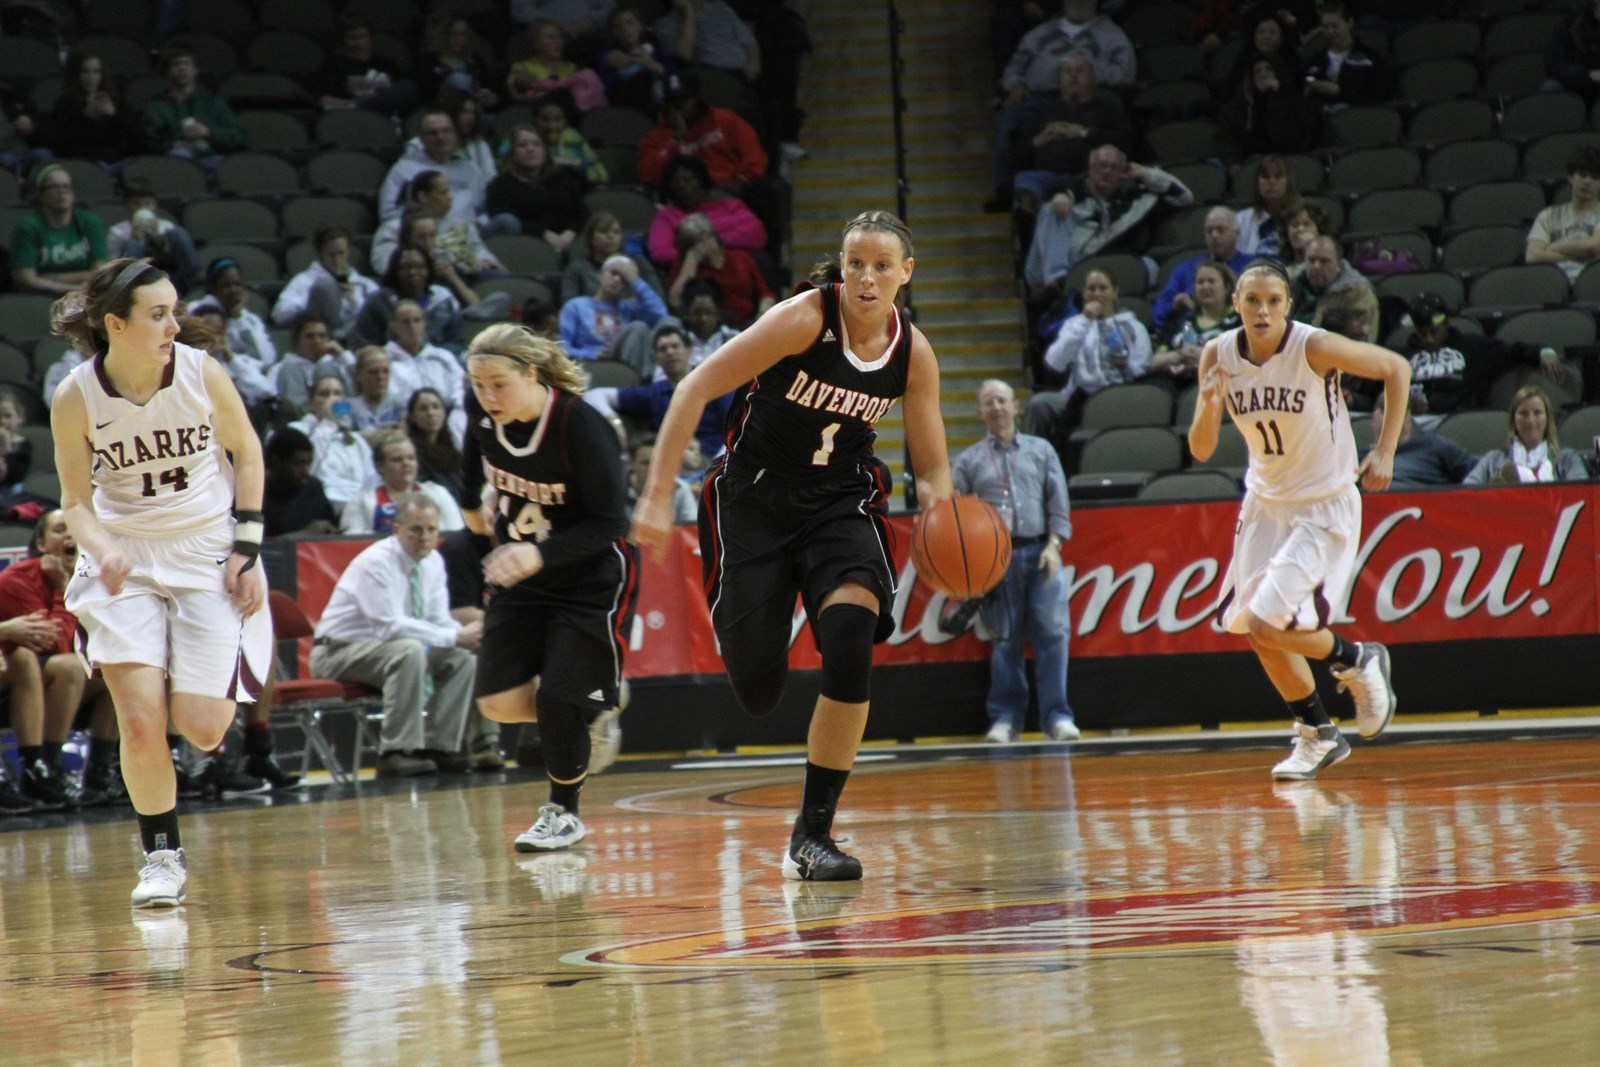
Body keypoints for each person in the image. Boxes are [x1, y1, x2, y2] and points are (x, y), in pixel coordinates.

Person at [631, 210, 954, 881]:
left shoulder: (912, 353)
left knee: (849, 641)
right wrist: (657, 495)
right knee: (757, 689)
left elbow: (930, 468)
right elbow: (693, 389)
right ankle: (754, 638)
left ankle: (813, 834)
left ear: (905, 273)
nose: (866, 277)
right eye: (855, 263)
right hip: (752, 501)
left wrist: (942, 523)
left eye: (882, 266)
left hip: (842, 501)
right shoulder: (803, 319)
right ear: (841, 267)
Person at [49, 257, 273, 905]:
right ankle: (161, 856)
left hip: (205, 549)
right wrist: (99, 548)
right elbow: (75, 499)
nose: (175, 324)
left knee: (202, 727)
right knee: (141, 719)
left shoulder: (202, 374)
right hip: (123, 559)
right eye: (158, 314)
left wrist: (248, 548)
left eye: (174, 310)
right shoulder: (76, 395)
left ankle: (228, 640)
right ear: (115, 324)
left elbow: (248, 452)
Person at [1187, 258, 1407, 781]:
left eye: (1273, 301)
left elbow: (1396, 368)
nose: (1262, 310)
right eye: (1252, 301)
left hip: (1322, 503)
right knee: (1255, 631)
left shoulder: (1313, 346)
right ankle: (1317, 735)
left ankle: (1357, 657)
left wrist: (1385, 452)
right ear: (1236, 305)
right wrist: (1207, 402)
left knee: (1269, 623)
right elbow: (1200, 449)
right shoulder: (1216, 354)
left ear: (1288, 305)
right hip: (1264, 504)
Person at [457, 323, 638, 851]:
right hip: (521, 574)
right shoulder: (482, 416)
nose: (487, 396)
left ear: (531, 373)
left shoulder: (579, 425)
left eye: (499, 384)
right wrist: (482, 530)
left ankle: (563, 812)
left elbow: (610, 523)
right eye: (477, 385)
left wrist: (536, 552)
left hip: (589, 576)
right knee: (497, 704)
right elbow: (469, 484)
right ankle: (597, 701)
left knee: (557, 699)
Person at [312, 493, 481, 778]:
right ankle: (396, 752)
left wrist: (465, 636)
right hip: (336, 652)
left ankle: (441, 748)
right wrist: (454, 636)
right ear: (396, 529)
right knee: (410, 650)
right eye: (416, 529)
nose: (424, 537)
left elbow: (439, 619)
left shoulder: (434, 562)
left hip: (384, 650)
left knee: (462, 656)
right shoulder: (376, 562)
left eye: (431, 529)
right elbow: (388, 627)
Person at [950, 379, 1075, 744]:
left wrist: (1054, 545)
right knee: (1003, 640)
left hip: (1041, 553)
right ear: (979, 412)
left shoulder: (1042, 451)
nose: (996, 407)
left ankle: (1058, 718)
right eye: (988, 402)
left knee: (1052, 634)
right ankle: (1006, 719)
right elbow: (958, 515)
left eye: (1002, 400)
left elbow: (1058, 503)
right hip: (994, 559)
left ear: (1015, 407)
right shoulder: (969, 460)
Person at [0, 509, 124, 810]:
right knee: (65, 665)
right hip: (28, 676)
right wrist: (59, 590)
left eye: (74, 528)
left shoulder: (98, 576)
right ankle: (44, 768)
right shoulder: (18, 578)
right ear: (41, 545)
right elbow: (56, 643)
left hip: (57, 682)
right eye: (59, 529)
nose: (69, 535)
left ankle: (100, 773)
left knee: (118, 670)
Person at [1022, 144, 1194, 298]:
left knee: (1149, 265)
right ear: (1090, 169)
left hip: (1101, 266)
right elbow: (1050, 193)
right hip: (1054, 265)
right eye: (1102, 166)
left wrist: (1146, 174)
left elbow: (1185, 197)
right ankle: (1058, 280)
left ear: (1123, 173)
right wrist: (1059, 197)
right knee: (1051, 209)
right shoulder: (1070, 189)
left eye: (1114, 168)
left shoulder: (1136, 201)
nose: (1106, 171)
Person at [1027, 267, 1152, 447]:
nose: (1097, 294)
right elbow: (1054, 362)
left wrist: (1126, 367)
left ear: (1115, 293)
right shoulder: (1074, 325)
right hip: (1079, 396)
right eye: (1092, 289)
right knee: (1040, 404)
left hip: (1121, 394)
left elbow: (1143, 367)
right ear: (1085, 294)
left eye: (1103, 288)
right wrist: (1084, 322)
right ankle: (1036, 463)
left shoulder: (1133, 326)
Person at [1397, 292, 1567, 417]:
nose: (1429, 339)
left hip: (1453, 418)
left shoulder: (1471, 347)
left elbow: (1512, 352)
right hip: (1409, 419)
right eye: (1422, 334)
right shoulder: (1403, 355)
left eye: (1434, 332)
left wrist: (1544, 352)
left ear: (1445, 323)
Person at [1004, 56, 1136, 214]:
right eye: (1067, 72)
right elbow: (1014, 157)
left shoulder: (1109, 110)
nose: (1073, 76)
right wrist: (1040, 139)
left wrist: (1083, 132)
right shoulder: (1045, 113)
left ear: (1092, 78)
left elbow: (1126, 144)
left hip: (1090, 176)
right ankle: (1031, 219)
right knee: (1024, 181)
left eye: (1080, 71)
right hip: (1047, 176)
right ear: (1059, 81)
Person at [585, 323, 733, 457]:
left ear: (689, 351)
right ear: (656, 358)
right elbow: (593, 395)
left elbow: (737, 428)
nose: (670, 352)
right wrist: (615, 422)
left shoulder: (713, 383)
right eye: (663, 349)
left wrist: (718, 466)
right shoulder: (654, 392)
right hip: (670, 464)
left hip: (711, 459)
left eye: (675, 346)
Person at [373, 175, 509, 283]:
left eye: (449, 192)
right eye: (443, 193)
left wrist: (485, 260)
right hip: (421, 280)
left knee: (499, 276)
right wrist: (424, 268)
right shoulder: (392, 227)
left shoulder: (460, 225)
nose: (449, 198)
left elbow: (478, 249)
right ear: (423, 196)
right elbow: (383, 263)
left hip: (466, 275)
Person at [647, 153, 768, 269]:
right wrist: (697, 256)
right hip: (697, 272)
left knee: (763, 260)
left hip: (738, 266)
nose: (683, 186)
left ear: (701, 180)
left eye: (688, 179)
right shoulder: (667, 216)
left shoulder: (731, 205)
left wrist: (711, 243)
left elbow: (758, 236)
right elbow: (660, 253)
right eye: (676, 182)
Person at [377, 108, 493, 226]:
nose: (440, 137)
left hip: (468, 234)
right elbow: (388, 213)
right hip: (426, 235)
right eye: (432, 133)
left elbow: (486, 211)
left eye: (446, 131)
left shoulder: (471, 170)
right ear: (421, 138)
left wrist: (478, 224)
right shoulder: (403, 169)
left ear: (455, 135)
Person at [559, 254, 671, 376]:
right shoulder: (576, 306)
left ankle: (636, 383)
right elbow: (562, 348)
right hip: (589, 364)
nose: (617, 280)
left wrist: (635, 280)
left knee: (640, 327)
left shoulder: (630, 308)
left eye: (624, 279)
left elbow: (662, 314)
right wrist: (591, 354)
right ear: (600, 274)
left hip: (625, 360)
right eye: (613, 273)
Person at [140, 45, 246, 173]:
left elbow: (238, 137)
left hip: (212, 159)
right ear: (168, 72)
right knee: (179, 156)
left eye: (187, 64)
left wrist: (208, 132)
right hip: (176, 160)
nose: (182, 68)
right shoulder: (156, 107)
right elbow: (148, 142)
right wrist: (170, 146)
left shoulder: (214, 103)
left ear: (196, 70)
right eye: (176, 64)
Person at [485, 124, 588, 254]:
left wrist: (570, 233)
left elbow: (583, 214)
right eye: (523, 145)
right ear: (512, 153)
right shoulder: (500, 185)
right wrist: (545, 234)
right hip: (526, 246)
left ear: (545, 150)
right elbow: (508, 222)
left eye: (536, 144)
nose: (530, 149)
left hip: (570, 241)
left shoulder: (563, 178)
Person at [1151, 206, 1255, 333]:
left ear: (1237, 234)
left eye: (1221, 230)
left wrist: (1198, 309)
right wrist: (1175, 306)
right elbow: (1158, 314)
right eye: (1209, 231)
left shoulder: (1252, 267)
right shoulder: (1185, 270)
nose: (1214, 235)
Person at [340, 430, 465, 535]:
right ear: (380, 466)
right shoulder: (360, 501)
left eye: (411, 458)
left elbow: (456, 535)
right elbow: (352, 541)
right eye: (397, 460)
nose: (406, 464)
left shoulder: (438, 493)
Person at [270, 223, 380, 340]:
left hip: (356, 341)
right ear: (319, 253)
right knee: (325, 287)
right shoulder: (303, 281)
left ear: (348, 251)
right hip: (321, 340)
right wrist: (314, 300)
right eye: (331, 254)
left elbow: (377, 317)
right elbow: (279, 315)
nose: (337, 260)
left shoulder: (364, 284)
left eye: (341, 253)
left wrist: (353, 300)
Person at [10, 163, 107, 296]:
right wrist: (75, 288)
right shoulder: (29, 227)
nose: (61, 192)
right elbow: (25, 279)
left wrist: (49, 278)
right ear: (40, 194)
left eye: (66, 187)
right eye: (54, 186)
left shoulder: (90, 222)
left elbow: (100, 272)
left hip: (86, 295)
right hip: (42, 297)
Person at [665, 212, 775, 328]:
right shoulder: (683, 266)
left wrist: (763, 313)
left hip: (746, 325)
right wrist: (691, 262)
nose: (706, 246)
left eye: (708, 238)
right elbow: (674, 301)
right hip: (706, 326)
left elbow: (765, 293)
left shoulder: (740, 258)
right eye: (698, 243)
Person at [1464, 385, 1591, 485]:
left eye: (1537, 413)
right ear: (1513, 420)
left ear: (1548, 418)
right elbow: (1465, 493)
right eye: (1523, 413)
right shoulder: (1493, 460)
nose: (1530, 420)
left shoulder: (1567, 459)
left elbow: (1582, 495)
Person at [287, 367, 373, 511]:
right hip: (315, 505)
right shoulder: (297, 430)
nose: (332, 400)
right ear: (311, 402)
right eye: (324, 394)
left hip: (355, 506)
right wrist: (328, 422)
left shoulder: (356, 440)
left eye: (337, 394)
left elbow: (370, 479)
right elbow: (308, 469)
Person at [1217, 55, 1322, 166]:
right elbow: (1225, 140)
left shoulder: (1298, 104)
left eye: (1269, 69)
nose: (1263, 74)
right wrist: (1232, 162)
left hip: (1290, 161)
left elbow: (1287, 140)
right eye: (1257, 71)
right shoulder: (1237, 108)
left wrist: (1272, 95)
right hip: (1248, 164)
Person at [353, 246, 464, 351]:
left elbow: (456, 343)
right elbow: (361, 342)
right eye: (406, 268)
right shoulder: (378, 302)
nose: (412, 273)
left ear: (428, 270)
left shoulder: (443, 301)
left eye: (419, 267)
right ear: (395, 271)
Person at [1150, 260, 1240, 389]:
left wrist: (1201, 354)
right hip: (1173, 386)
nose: (1205, 286)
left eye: (1211, 281)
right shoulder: (1182, 320)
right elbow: (1154, 362)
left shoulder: (1239, 321)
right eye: (1200, 282)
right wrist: (1178, 356)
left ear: (1227, 287)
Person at [1366, 389, 1477, 488]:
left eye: (1399, 410)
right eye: (1384, 410)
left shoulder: (1435, 446)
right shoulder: (1357, 458)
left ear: (1409, 418)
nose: (1392, 416)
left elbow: (1481, 474)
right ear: (1373, 418)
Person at [315, 15, 421, 119]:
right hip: (351, 117)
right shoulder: (334, 65)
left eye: (363, 36)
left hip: (385, 116)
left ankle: (363, 105)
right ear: (343, 39)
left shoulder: (387, 65)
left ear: (370, 37)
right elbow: (325, 101)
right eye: (352, 38)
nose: (359, 42)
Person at [1525, 144, 1600, 282]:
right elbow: (1533, 256)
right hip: (1553, 283)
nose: (1587, 181)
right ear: (1571, 177)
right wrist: (1579, 256)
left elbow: (1594, 246)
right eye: (1582, 175)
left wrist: (1554, 246)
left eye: (1594, 177)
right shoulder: (1548, 215)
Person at [51, 50, 136, 167]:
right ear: (77, 75)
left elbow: (134, 138)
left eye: (96, 72)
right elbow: (62, 144)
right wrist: (87, 116)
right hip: (82, 162)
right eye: (85, 72)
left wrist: (114, 114)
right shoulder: (65, 104)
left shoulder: (115, 101)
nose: (91, 77)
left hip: (115, 162)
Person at [1302, 0, 1389, 113]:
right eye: (1325, 27)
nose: (1330, 32)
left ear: (1349, 23)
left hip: (1359, 117)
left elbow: (1378, 97)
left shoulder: (1369, 58)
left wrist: (1338, 92)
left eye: (1335, 26)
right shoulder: (1316, 61)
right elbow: (1307, 88)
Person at [561, 211, 664, 304]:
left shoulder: (638, 262)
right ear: (591, 238)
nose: (610, 236)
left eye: (616, 232)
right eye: (604, 231)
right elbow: (569, 303)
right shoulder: (577, 267)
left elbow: (657, 297)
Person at [506, 20, 608, 110]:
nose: (558, 42)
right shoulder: (522, 67)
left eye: (560, 37)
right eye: (551, 37)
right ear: (535, 43)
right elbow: (515, 95)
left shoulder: (573, 69)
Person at [1290, 236, 1377, 341]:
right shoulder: (1291, 284)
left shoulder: (1358, 292)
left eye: (1324, 261)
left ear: (1339, 265)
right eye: (1311, 260)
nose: (1316, 266)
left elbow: (1364, 341)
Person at [384, 301, 466, 411]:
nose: (412, 326)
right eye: (405, 322)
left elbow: (459, 389)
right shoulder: (383, 359)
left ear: (424, 324)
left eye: (417, 320)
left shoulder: (443, 357)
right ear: (393, 326)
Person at [262, 426, 340, 537]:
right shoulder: (254, 492)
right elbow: (251, 545)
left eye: (309, 464)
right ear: (276, 461)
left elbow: (331, 532)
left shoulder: (313, 488)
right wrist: (303, 534)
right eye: (298, 464)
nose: (305, 471)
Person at [596, 5, 674, 114]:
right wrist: (633, 59)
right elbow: (611, 86)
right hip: (625, 107)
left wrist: (650, 64)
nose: (625, 29)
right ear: (613, 32)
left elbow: (672, 76)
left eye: (630, 23)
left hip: (659, 102)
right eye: (617, 26)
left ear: (640, 25)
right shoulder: (608, 53)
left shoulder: (655, 51)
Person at [1233, 155, 1302, 258]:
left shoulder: (1302, 219)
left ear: (1288, 182)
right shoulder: (1241, 219)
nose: (1272, 182)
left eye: (1278, 176)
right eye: (1266, 176)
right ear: (1257, 183)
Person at [534, 91, 609, 185]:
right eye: (544, 119)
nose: (551, 126)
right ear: (535, 120)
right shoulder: (528, 138)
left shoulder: (573, 137)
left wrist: (581, 170)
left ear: (565, 120)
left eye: (557, 119)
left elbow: (601, 174)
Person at [406, 388, 465, 501]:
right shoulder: (411, 452)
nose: (430, 413)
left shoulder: (453, 448)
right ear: (412, 416)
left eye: (436, 407)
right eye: (423, 409)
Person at [680, 277, 741, 364]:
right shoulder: (677, 343)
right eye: (697, 313)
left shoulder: (734, 339)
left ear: (718, 314)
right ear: (687, 314)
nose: (703, 318)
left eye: (709, 313)